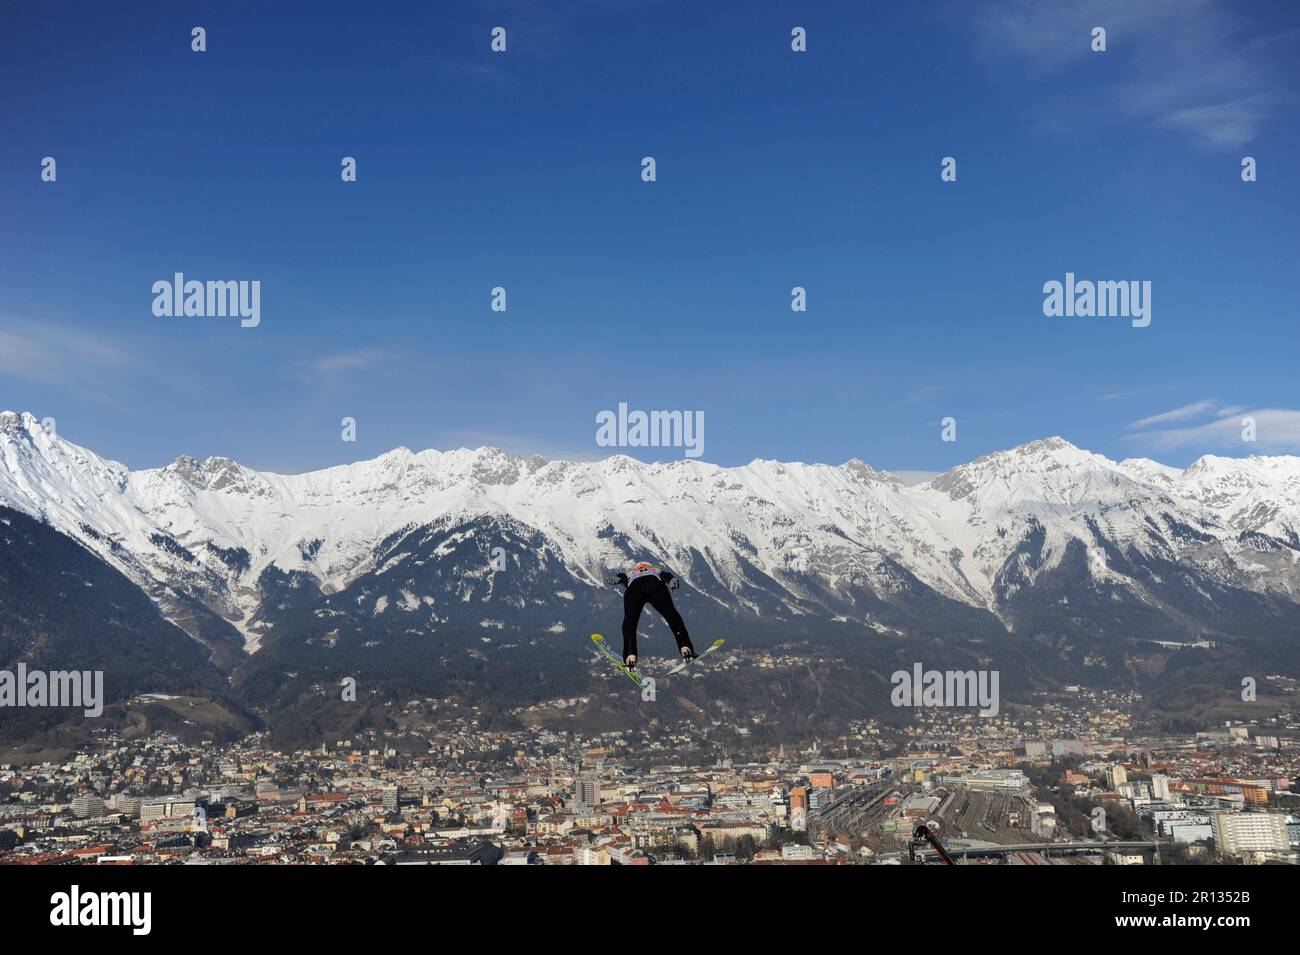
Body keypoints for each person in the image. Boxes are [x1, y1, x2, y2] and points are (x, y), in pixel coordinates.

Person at [605, 560, 697, 669]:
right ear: (649, 566)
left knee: (630, 621)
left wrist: (615, 580)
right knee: (672, 615)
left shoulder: (630, 573)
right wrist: (672, 582)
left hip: (634, 589)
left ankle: (630, 655)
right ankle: (685, 647)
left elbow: (620, 577)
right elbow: (668, 575)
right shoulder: (655, 570)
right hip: (656, 586)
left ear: (636, 568)